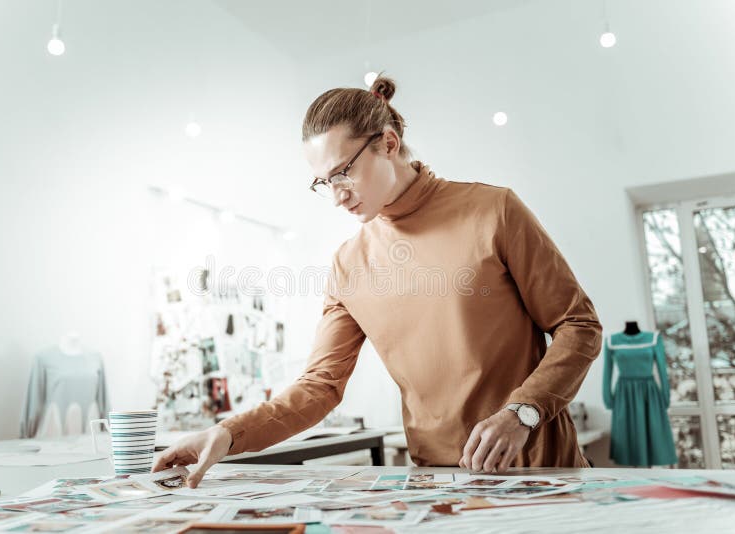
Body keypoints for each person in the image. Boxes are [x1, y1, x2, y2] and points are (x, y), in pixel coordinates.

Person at [153, 75, 603, 488]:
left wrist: (521, 413)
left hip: (543, 471)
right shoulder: (349, 265)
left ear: (388, 143)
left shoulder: (493, 211)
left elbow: (578, 325)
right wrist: (228, 433)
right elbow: (319, 388)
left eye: (342, 172)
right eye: (322, 182)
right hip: (439, 484)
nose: (336, 195)